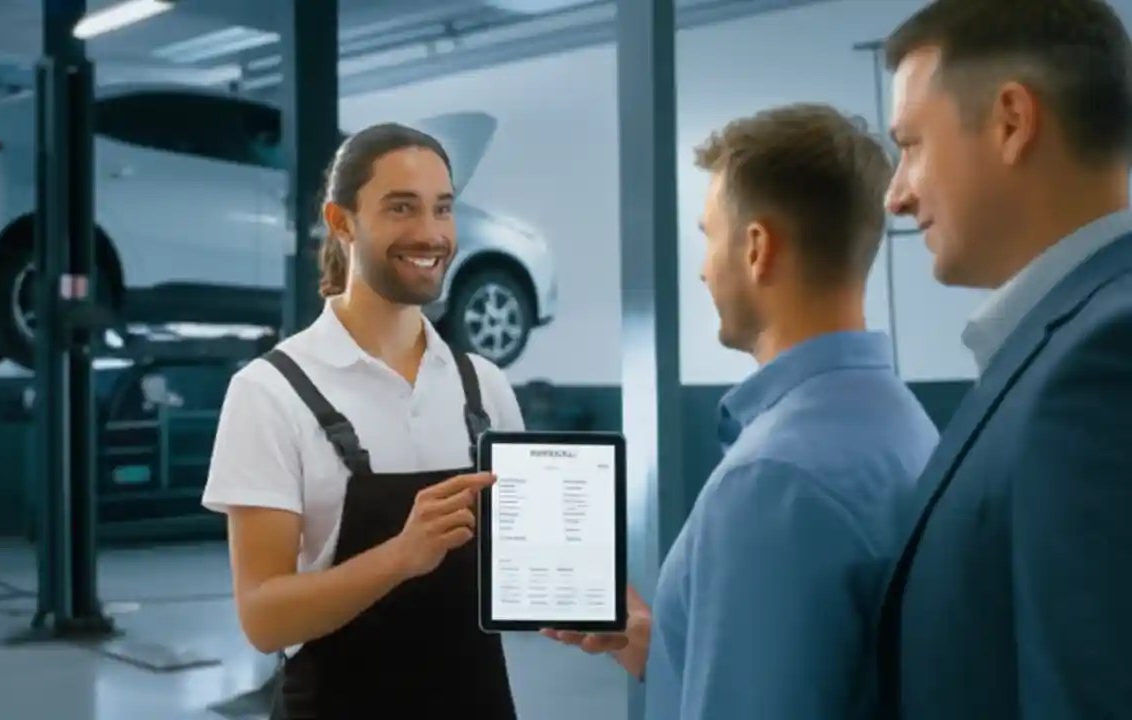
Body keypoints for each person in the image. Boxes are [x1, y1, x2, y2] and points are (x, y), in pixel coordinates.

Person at [545, 103, 939, 718]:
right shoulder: (900, 423)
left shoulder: (772, 480)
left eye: (709, 236)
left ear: (756, 248)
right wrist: (671, 646)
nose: (704, 270)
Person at [201, 122, 526, 719]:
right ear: (342, 221)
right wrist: (401, 556)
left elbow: (523, 569)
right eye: (402, 207)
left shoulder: (484, 388)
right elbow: (264, 618)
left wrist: (596, 599)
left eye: (442, 208)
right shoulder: (270, 393)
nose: (430, 233)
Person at [878, 1, 1132, 718]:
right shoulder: (1063, 345)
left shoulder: (1100, 365)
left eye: (912, 145)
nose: (896, 195)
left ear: (1012, 122)